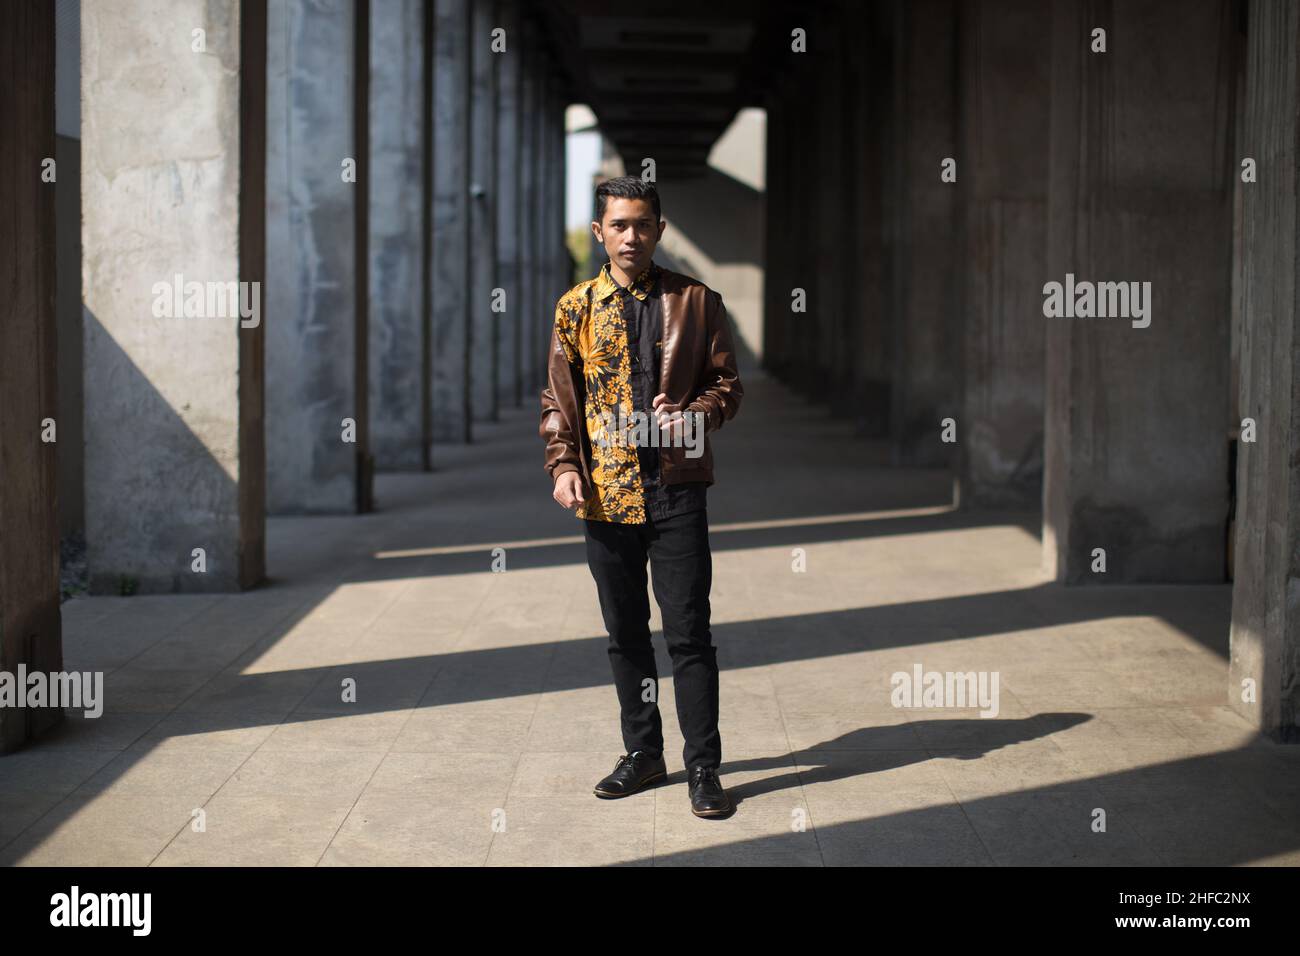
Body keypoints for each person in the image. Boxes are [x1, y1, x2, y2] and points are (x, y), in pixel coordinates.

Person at [539, 176, 743, 818]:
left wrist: (694, 414)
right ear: (600, 232)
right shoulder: (574, 308)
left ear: (659, 229)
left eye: (643, 224)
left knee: (689, 634)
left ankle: (703, 768)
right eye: (618, 225)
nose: (632, 235)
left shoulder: (698, 301)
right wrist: (562, 465)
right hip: (606, 497)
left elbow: (728, 386)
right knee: (625, 634)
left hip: (677, 490)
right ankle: (644, 754)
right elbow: (556, 401)